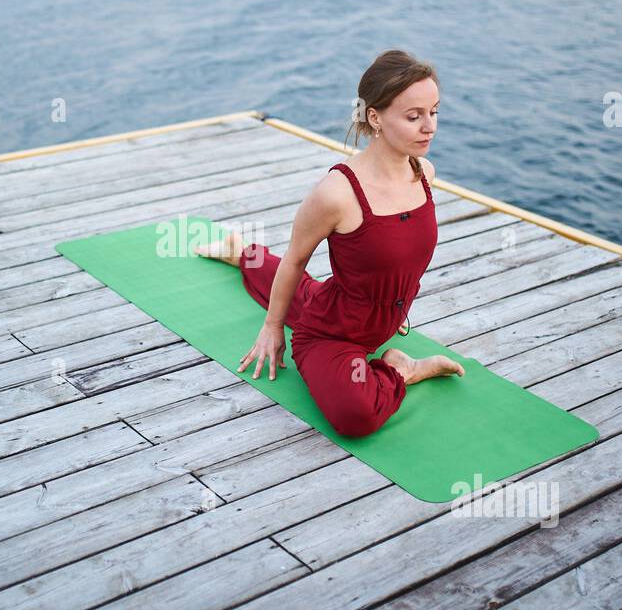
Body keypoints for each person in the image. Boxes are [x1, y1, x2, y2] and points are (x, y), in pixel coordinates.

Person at [195, 49, 464, 437]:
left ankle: (242, 253)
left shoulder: (423, 174)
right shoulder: (336, 194)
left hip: (359, 309)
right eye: (413, 116)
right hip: (332, 333)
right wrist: (272, 327)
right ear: (375, 117)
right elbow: (295, 259)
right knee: (357, 416)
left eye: (434, 112)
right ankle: (401, 368)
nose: (430, 127)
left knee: (311, 295)